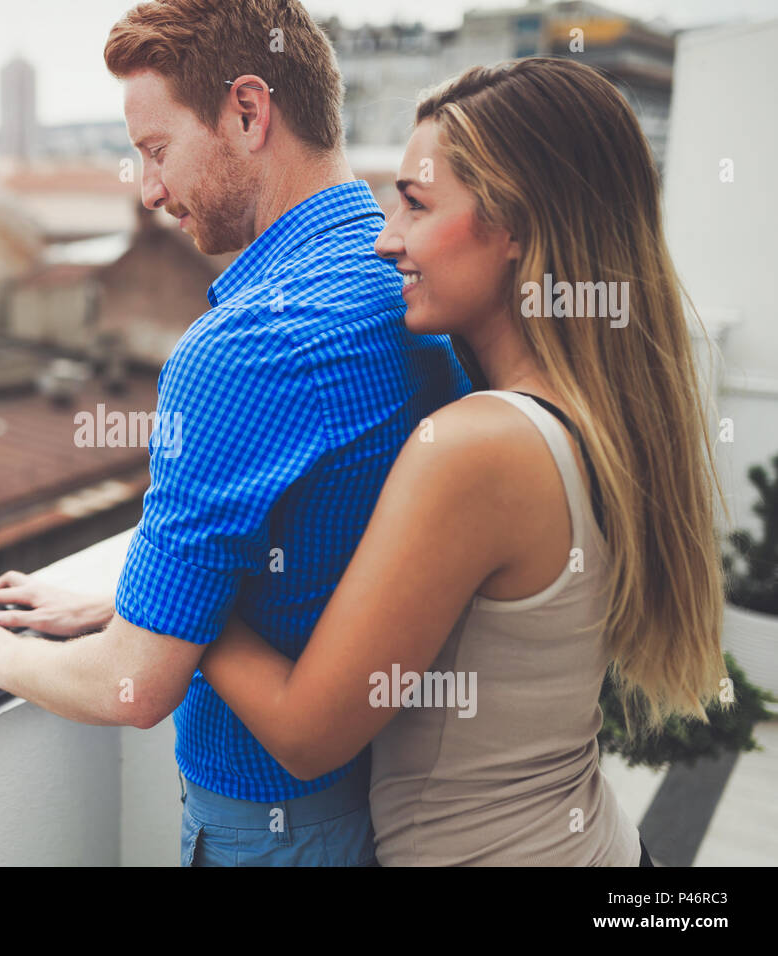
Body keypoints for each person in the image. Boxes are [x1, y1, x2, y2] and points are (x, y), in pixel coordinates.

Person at [0, 0, 469, 866]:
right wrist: (145, 608)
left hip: (271, 826)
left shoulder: (244, 348)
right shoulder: (400, 272)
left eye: (156, 150)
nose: (148, 189)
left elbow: (133, 687)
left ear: (248, 112)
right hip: (378, 793)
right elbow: (313, 545)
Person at [195, 57, 730, 865]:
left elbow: (306, 734)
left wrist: (175, 597)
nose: (386, 240)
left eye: (415, 205)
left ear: (515, 224)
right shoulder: (595, 410)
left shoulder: (482, 448)